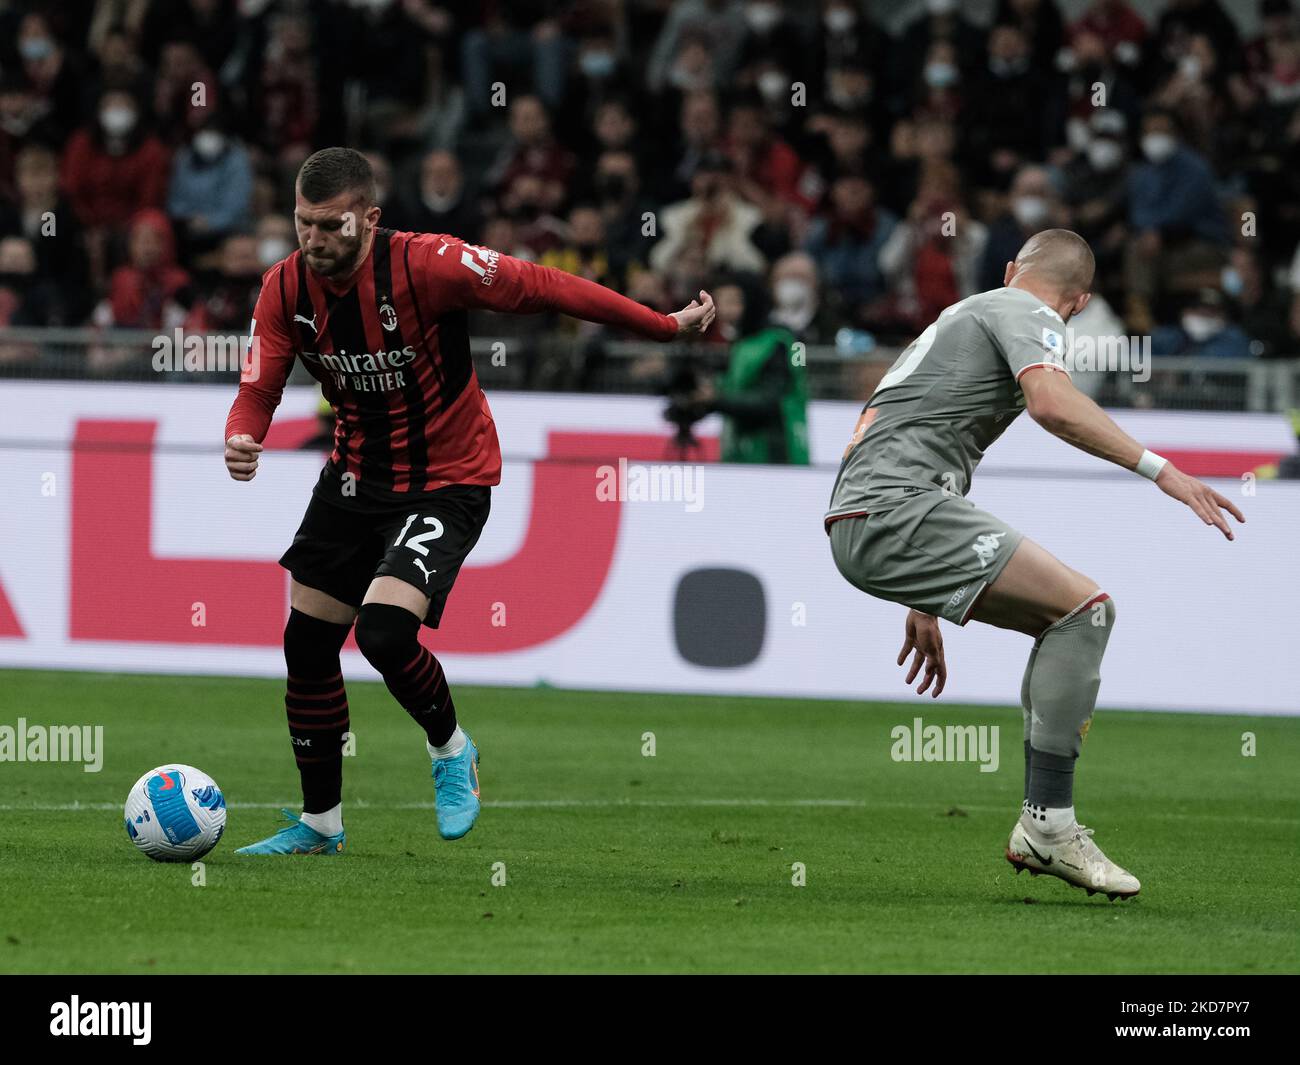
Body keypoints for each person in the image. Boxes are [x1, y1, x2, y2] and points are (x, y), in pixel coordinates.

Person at [223, 148, 714, 855]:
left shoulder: (429, 265)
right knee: (307, 643)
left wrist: (661, 326)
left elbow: (544, 286)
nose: (315, 240)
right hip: (355, 477)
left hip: (448, 477)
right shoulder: (284, 288)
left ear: (370, 218)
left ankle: (451, 750)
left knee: (385, 634)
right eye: (304, 224)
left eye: (331, 226)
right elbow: (260, 383)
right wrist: (244, 434)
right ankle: (320, 825)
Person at [825, 229, 1243, 900]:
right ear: (1078, 303)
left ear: (1014, 265)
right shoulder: (1027, 312)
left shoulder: (965, 316)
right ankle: (1048, 825)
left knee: (1067, 618)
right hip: (894, 509)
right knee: (1086, 610)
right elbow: (1052, 403)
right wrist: (1160, 469)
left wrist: (924, 593)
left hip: (872, 513)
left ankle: (1045, 823)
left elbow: (927, 432)